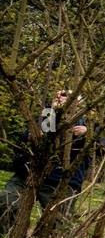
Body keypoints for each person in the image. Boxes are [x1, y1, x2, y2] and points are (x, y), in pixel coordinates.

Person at [1, 91, 99, 227]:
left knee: (57, 224)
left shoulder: (88, 125)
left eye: (67, 96)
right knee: (6, 203)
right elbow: (23, 143)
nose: (62, 97)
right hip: (28, 175)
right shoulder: (46, 117)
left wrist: (88, 133)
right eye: (60, 95)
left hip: (61, 182)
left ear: (78, 104)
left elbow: (103, 147)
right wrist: (50, 113)